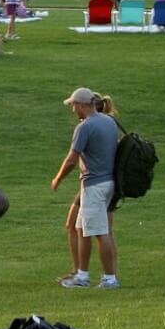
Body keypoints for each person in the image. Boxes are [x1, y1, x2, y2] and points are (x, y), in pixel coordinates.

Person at [54, 88, 121, 289]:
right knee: (81, 228)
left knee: (101, 232)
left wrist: (58, 178)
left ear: (81, 105)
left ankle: (109, 279)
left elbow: (71, 160)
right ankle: (82, 275)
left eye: (73, 105)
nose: (73, 109)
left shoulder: (85, 127)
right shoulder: (109, 121)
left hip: (95, 184)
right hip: (108, 182)